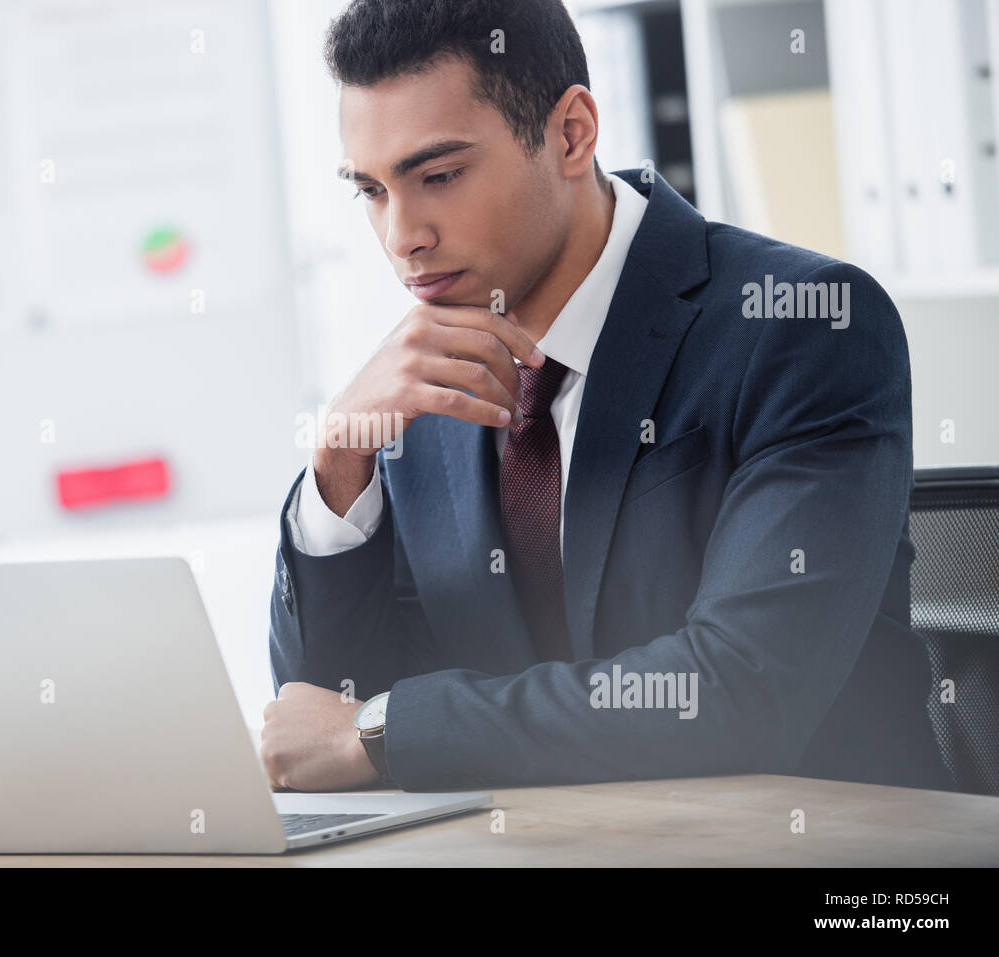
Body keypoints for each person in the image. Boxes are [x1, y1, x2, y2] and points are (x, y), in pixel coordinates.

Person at [260, 0, 951, 795]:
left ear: (572, 133)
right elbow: (318, 731)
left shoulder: (803, 326)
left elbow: (736, 690)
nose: (401, 235)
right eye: (372, 191)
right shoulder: (419, 388)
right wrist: (339, 461)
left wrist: (384, 731)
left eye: (439, 175)